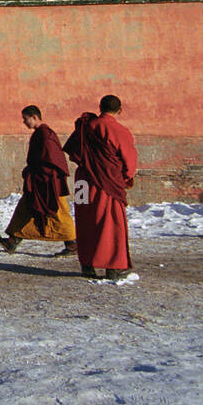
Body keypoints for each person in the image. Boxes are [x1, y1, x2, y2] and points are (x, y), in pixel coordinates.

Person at [64, 95, 138, 280]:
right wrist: (125, 178)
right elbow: (129, 160)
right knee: (110, 222)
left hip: (82, 182)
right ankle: (112, 266)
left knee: (84, 219)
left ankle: (87, 264)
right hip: (106, 183)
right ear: (120, 110)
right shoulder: (119, 130)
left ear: (100, 107)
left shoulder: (84, 127)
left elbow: (74, 152)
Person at [0, 106, 77, 258]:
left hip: (49, 182)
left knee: (59, 213)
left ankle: (72, 244)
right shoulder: (40, 134)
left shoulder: (45, 135)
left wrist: (36, 172)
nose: (24, 122)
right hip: (39, 181)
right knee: (25, 209)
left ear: (34, 117)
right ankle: (13, 241)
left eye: (25, 118)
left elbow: (52, 160)